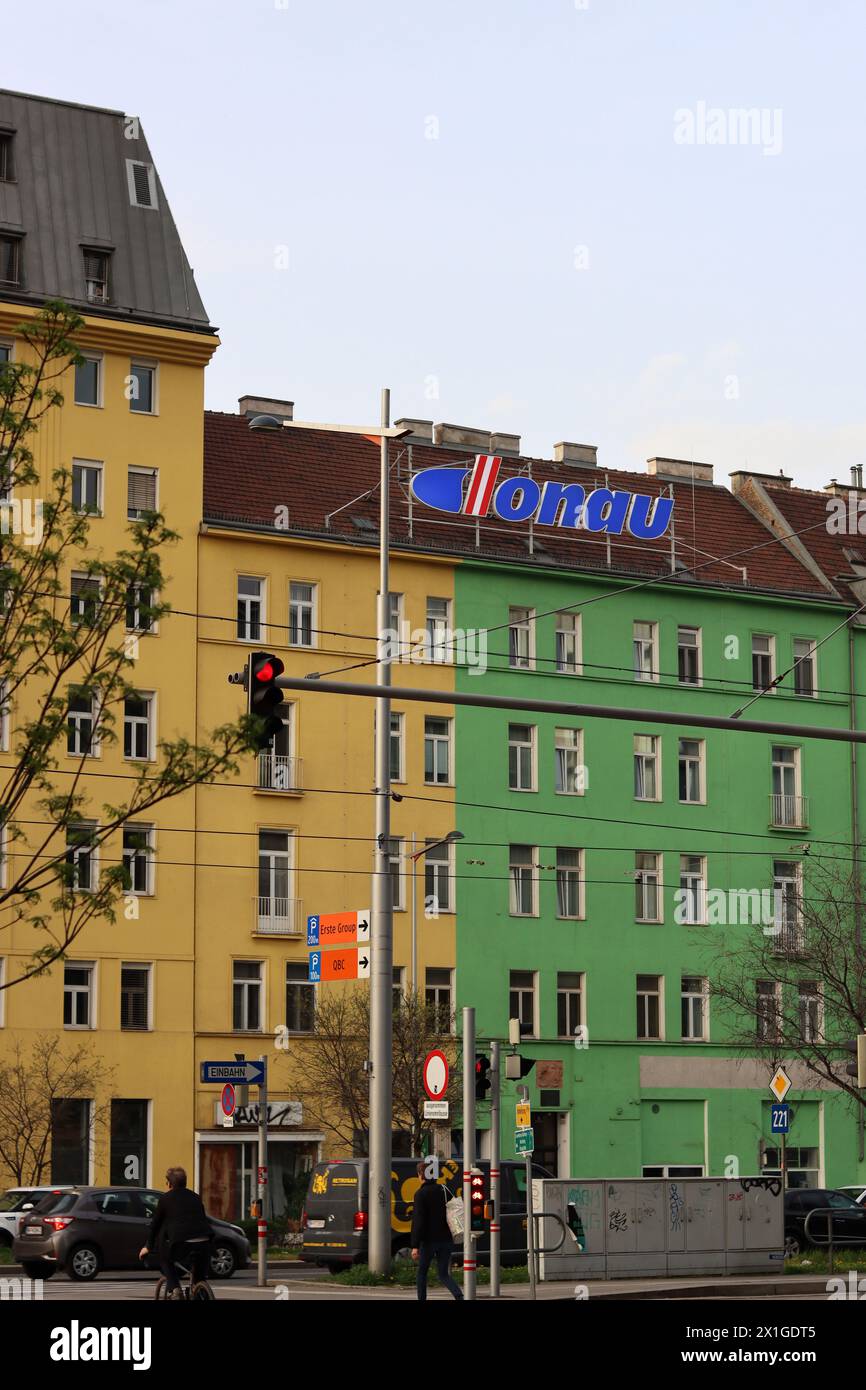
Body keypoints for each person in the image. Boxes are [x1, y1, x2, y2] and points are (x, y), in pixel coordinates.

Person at [139, 1166, 213, 1298]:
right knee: (199, 1279)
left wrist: (148, 1246)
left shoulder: (165, 1199)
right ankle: (200, 1289)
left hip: (182, 1244)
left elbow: (155, 1225)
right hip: (205, 1242)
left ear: (169, 1183)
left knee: (165, 1259)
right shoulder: (196, 1197)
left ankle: (175, 1288)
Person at [410, 1160, 463, 1302]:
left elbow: (419, 1221)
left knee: (422, 1273)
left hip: (428, 1241)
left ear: (421, 1175)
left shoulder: (420, 1194)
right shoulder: (444, 1189)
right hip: (446, 1239)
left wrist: (415, 1245)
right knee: (443, 1274)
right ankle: (459, 1296)